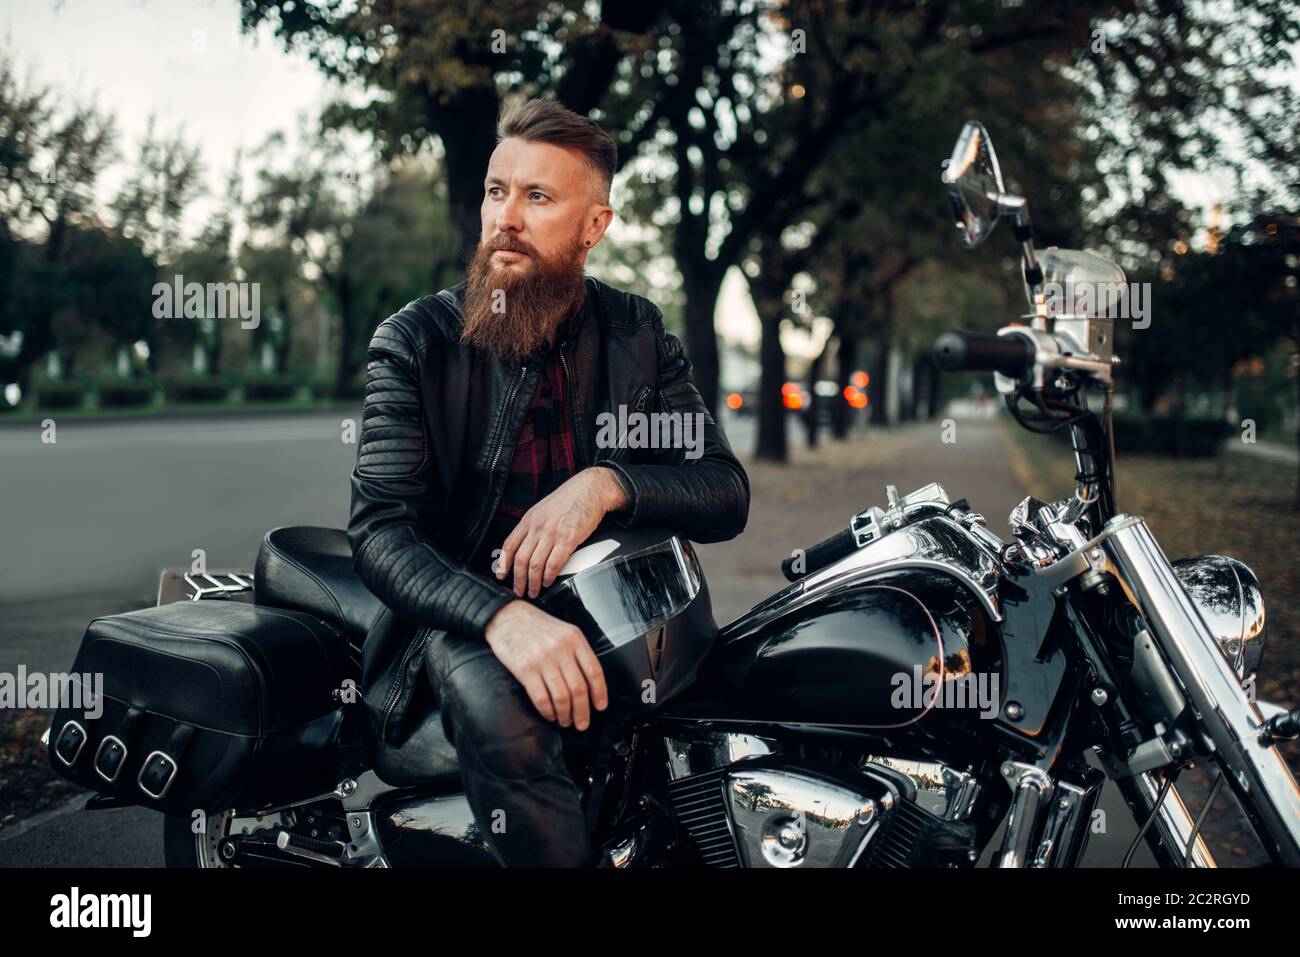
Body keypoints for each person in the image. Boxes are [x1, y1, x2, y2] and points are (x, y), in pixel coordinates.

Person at [347, 98, 750, 867]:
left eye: (538, 197)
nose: (507, 217)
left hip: (609, 599)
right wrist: (502, 617)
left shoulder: (637, 334)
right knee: (510, 721)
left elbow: (723, 490)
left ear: (594, 226)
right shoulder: (417, 341)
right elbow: (381, 533)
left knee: (718, 705)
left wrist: (606, 482)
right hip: (455, 612)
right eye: (498, 191)